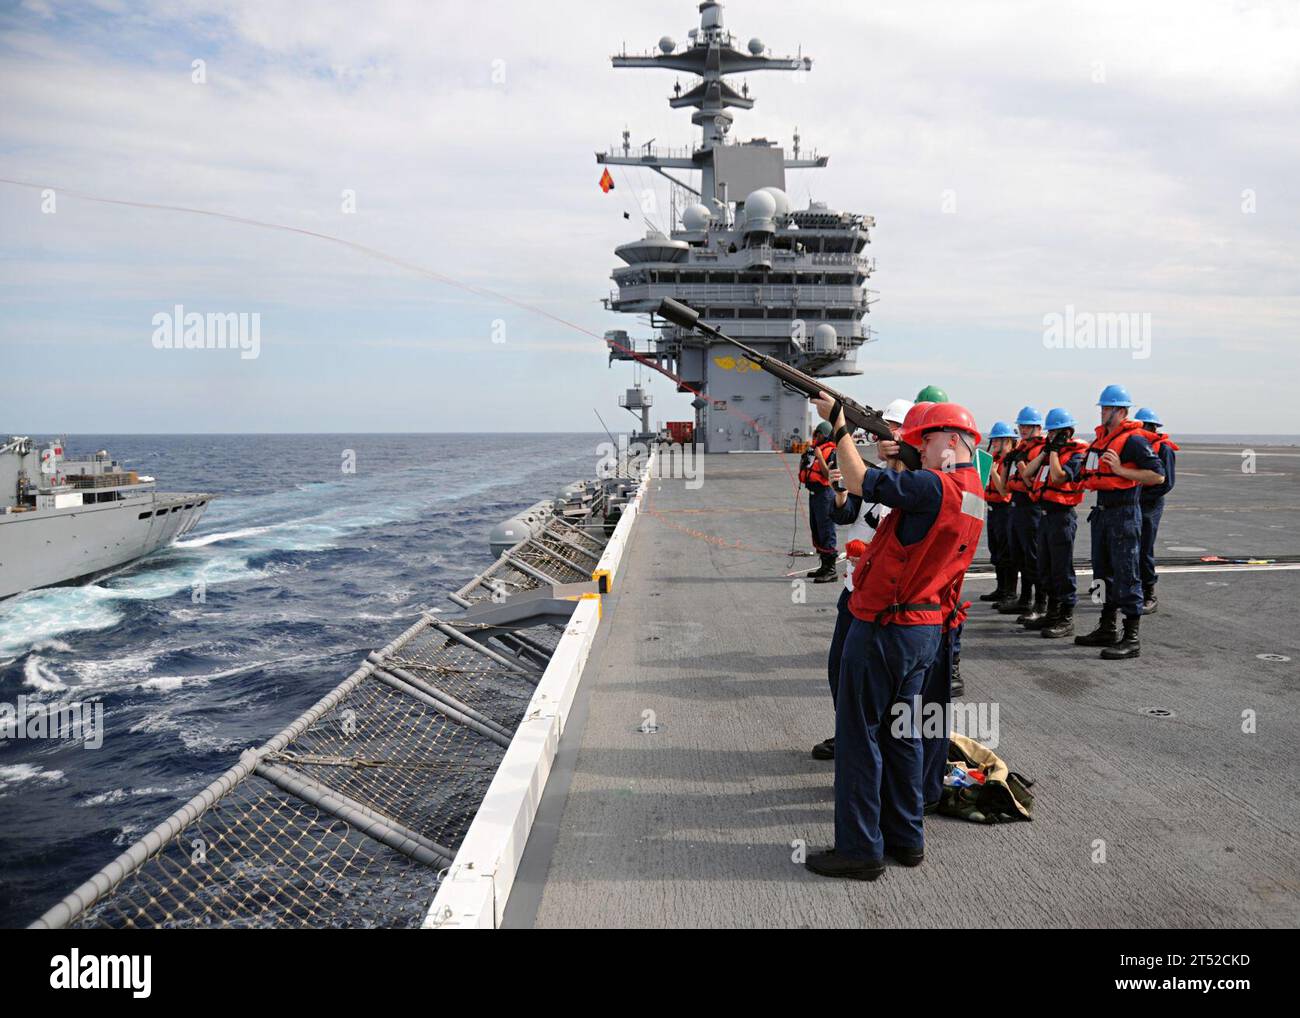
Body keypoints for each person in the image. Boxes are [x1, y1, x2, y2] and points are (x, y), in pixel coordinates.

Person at [805, 396, 984, 881]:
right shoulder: (973, 490)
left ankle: (860, 849)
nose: (917, 451)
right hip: (925, 628)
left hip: (887, 626)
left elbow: (862, 482)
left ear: (950, 441)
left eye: (923, 442)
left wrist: (838, 425)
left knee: (859, 737)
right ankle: (907, 839)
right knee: (902, 733)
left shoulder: (933, 485)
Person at [812, 397, 912, 762]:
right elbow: (847, 514)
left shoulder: (914, 484)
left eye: (894, 428)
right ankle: (849, 734)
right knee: (840, 668)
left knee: (875, 681)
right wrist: (840, 492)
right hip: (855, 587)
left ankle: (871, 748)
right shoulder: (873, 475)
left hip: (886, 599)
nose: (884, 435)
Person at [1069, 385, 1165, 659]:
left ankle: (1131, 637)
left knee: (1127, 574)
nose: (1102, 413)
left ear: (1121, 411)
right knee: (1102, 573)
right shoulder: (1103, 441)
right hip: (1102, 512)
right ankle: (1107, 626)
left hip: (1124, 513)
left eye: (1107, 409)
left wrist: (1120, 470)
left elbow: (1158, 476)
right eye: (1102, 408)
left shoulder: (1133, 440)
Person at [1022, 408, 1089, 637]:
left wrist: (1055, 452)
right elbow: (1027, 475)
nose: (1052, 437)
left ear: (1067, 433)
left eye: (1057, 433)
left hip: (1062, 516)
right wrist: (1046, 452)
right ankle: (1052, 613)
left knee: (1062, 568)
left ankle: (1066, 617)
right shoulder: (1051, 453)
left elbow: (1060, 477)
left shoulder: (1077, 455)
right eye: (1050, 433)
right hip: (1046, 516)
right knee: (1046, 567)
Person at [997, 406, 1046, 620]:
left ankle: (1040, 603)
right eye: (1021, 425)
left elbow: (1032, 482)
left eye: (1028, 426)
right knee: (1020, 556)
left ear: (1038, 427)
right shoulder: (1022, 449)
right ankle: (1025, 599)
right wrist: (1007, 464)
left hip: (1031, 507)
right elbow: (1005, 488)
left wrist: (1019, 462)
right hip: (1017, 507)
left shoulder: (1041, 452)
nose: (1023, 429)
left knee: (1034, 556)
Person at [1135, 408, 1177, 613]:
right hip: (1133, 503)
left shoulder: (1163, 450)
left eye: (1145, 426)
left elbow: (1166, 483)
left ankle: (1149, 592)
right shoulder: (1137, 447)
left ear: (1153, 428)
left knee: (1144, 547)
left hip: (1149, 504)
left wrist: (1140, 496)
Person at [980, 421, 1017, 605]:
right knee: (995, 549)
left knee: (1006, 551)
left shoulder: (1010, 461)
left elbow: (1006, 491)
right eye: (993, 440)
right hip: (993, 510)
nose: (993, 443)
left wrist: (993, 473)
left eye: (997, 440)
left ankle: (1009, 592)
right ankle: (1001, 588)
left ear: (1006, 440)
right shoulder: (995, 459)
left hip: (1005, 511)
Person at [797, 421, 839, 581]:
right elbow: (805, 472)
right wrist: (805, 459)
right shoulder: (814, 450)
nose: (816, 437)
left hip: (825, 494)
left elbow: (828, 475)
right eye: (815, 434)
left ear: (825, 434)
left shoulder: (831, 451)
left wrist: (819, 456)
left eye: (818, 434)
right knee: (817, 528)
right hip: (814, 494)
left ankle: (831, 570)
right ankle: (823, 566)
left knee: (826, 528)